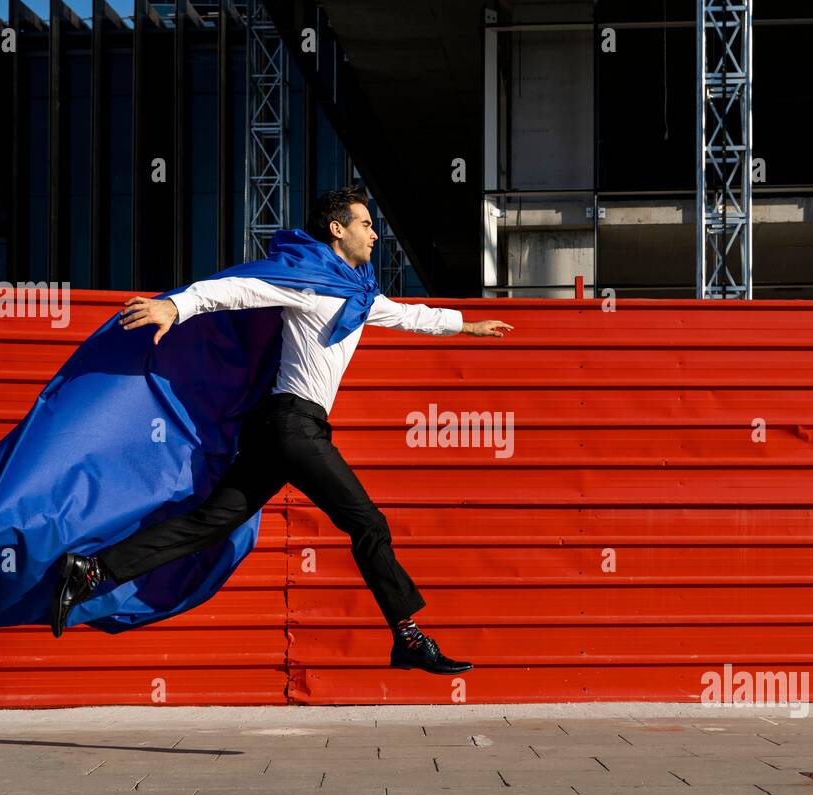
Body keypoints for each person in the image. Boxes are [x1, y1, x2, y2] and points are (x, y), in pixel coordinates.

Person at [50, 185, 513, 675]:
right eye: (366, 224)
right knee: (369, 524)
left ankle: (92, 569)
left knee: (211, 524)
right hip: (294, 427)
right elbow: (238, 289)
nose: (375, 234)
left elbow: (406, 316)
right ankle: (409, 637)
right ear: (337, 230)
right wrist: (177, 306)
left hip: (281, 429)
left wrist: (467, 326)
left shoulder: (356, 293)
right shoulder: (307, 281)